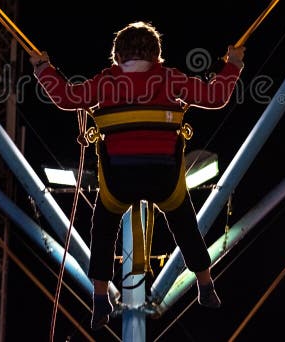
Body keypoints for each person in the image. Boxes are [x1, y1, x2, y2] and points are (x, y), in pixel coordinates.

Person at [30, 21, 245, 330]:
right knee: (185, 226)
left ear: (117, 56)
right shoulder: (169, 78)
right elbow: (216, 96)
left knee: (102, 230)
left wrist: (43, 68)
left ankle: (100, 298)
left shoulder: (107, 82)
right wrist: (233, 64)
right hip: (164, 179)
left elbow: (66, 98)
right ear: (157, 55)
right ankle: (206, 284)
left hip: (119, 180)